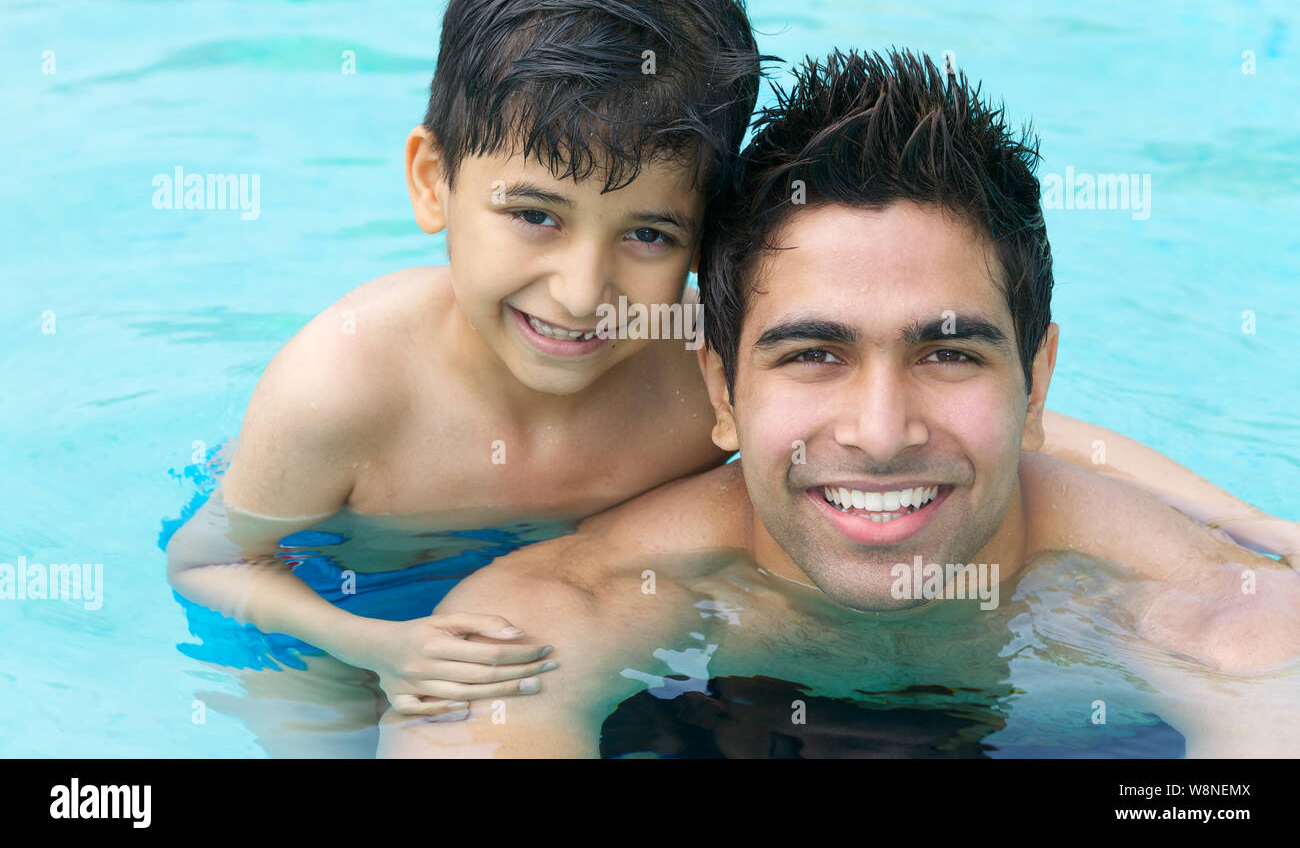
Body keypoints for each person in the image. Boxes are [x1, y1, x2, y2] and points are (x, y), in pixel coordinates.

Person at [375, 49, 1300, 758]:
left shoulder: (1214, 609)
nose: (881, 434)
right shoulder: (558, 612)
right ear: (719, 388)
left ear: (1037, 380)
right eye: (814, 354)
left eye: (948, 352)